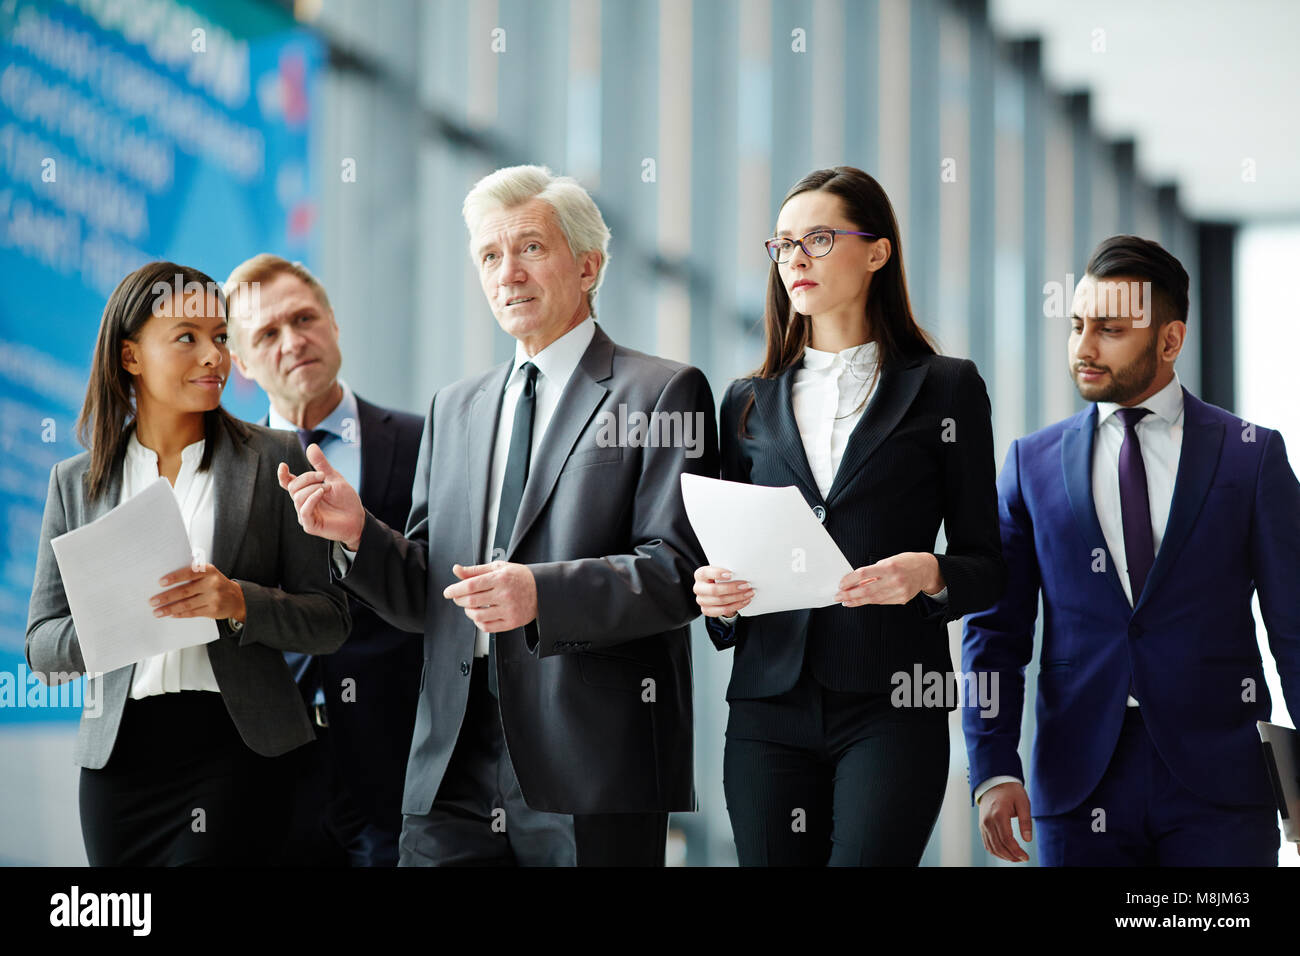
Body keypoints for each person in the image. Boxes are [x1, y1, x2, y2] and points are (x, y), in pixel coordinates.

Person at [278, 165, 718, 866]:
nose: (507, 272)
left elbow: (676, 571)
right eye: (489, 255)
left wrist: (539, 594)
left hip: (589, 763)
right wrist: (358, 534)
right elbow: (430, 591)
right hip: (450, 763)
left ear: (587, 266)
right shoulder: (456, 408)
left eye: (530, 249)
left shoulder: (661, 393)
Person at [694, 166, 1006, 866]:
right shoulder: (745, 401)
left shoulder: (946, 387)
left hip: (894, 703)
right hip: (768, 707)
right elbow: (724, 558)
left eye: (818, 238)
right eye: (782, 245)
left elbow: (989, 566)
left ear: (877, 251)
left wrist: (929, 573)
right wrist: (716, 599)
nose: (795, 259)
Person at [962, 235, 1300, 866]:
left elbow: (1296, 627)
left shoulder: (1251, 455)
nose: (1084, 349)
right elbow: (995, 631)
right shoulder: (1028, 464)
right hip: (1077, 778)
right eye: (1078, 325)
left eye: (1110, 330)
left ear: (1170, 341)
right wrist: (993, 766)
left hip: (1222, 785)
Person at [25, 261, 350, 866]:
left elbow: (330, 621)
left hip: (237, 753)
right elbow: (42, 647)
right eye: (187, 338)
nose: (214, 357)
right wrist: (115, 617)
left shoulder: (278, 457)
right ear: (130, 356)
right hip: (118, 769)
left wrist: (238, 602)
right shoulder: (74, 483)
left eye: (221, 338)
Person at [223, 254, 424, 867]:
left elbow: (439, 579)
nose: (293, 340)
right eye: (267, 334)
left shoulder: (426, 441)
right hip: (271, 770)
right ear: (242, 364)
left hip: (402, 770)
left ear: (333, 324)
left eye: (304, 318)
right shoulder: (225, 471)